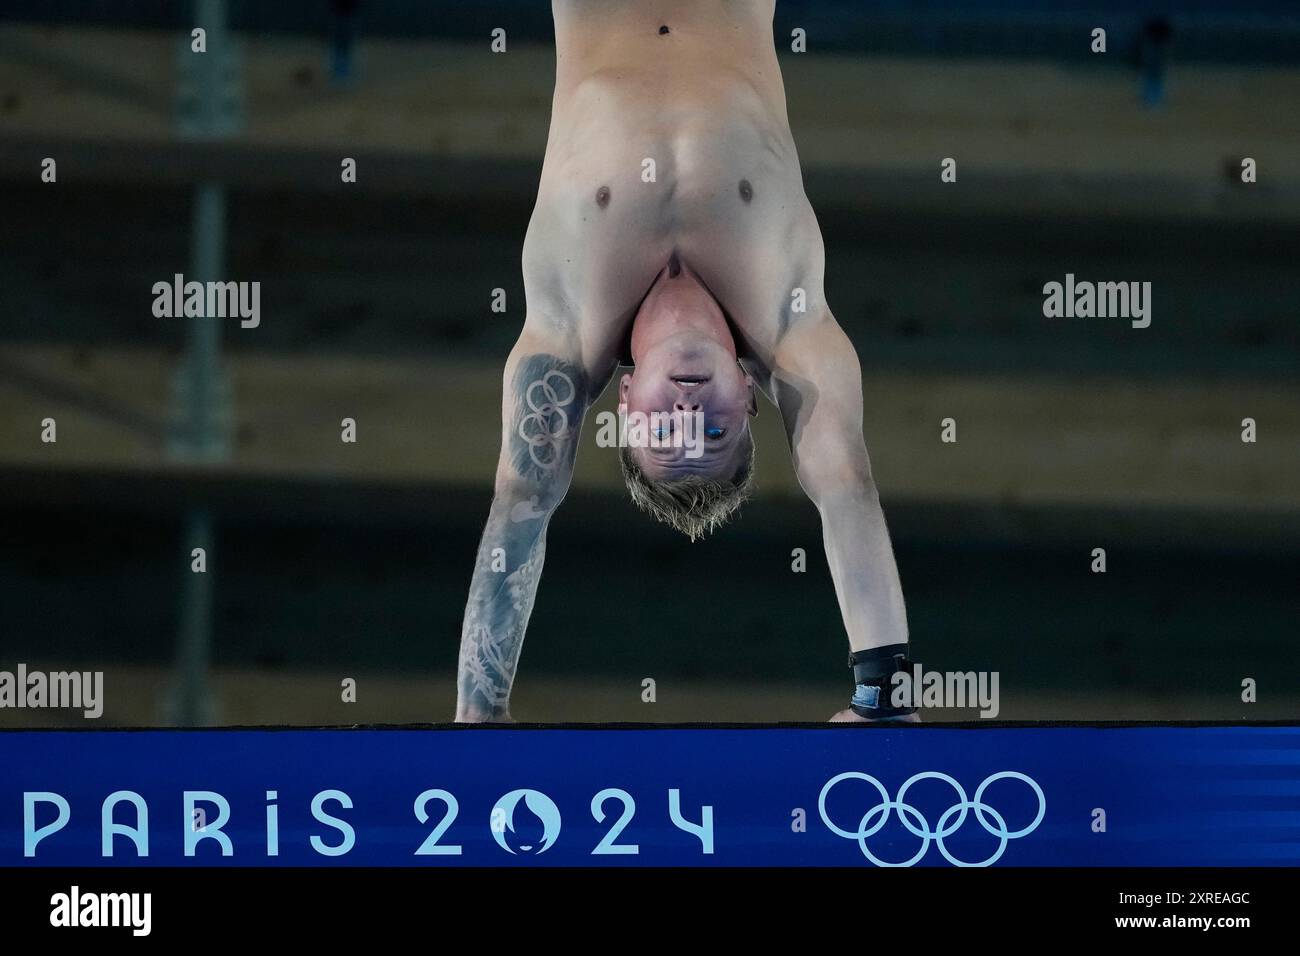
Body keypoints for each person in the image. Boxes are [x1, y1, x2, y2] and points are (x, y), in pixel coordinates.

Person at [455, 0, 913, 723]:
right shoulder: (792, 317)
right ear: (754, 402)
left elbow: (523, 501)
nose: (687, 418)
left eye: (664, 434)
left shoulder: (567, 327)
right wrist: (882, 701)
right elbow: (845, 486)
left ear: (624, 403)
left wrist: (480, 714)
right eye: (715, 433)